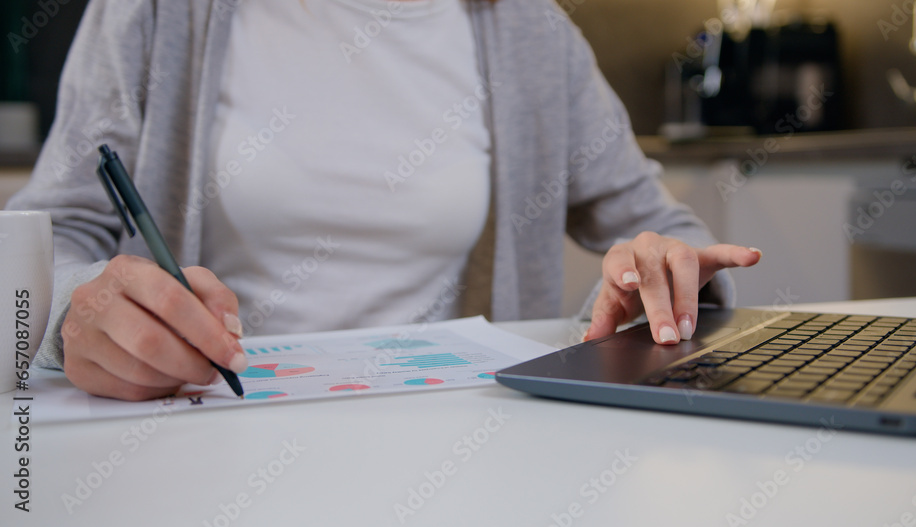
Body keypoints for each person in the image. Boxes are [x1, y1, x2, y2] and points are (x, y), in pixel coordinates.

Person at [8, 0, 760, 401]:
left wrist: (668, 271)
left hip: (462, 437)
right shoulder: (161, 12)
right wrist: (79, 310)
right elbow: (57, 228)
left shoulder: (531, 31)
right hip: (207, 425)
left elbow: (663, 229)